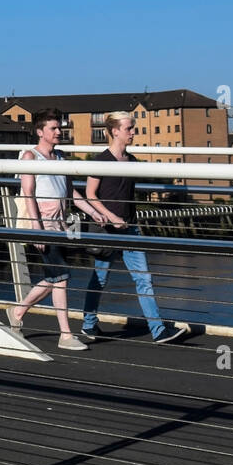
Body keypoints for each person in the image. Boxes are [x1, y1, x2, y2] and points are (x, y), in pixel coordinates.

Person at [82, 112, 190, 344]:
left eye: (133, 128)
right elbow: (90, 195)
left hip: (130, 229)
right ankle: (88, 324)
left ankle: (158, 330)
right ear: (115, 131)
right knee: (99, 279)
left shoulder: (131, 161)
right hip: (108, 230)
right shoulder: (100, 161)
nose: (133, 132)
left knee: (144, 279)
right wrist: (111, 217)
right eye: (129, 128)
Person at [6, 109, 106, 351]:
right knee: (62, 277)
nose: (59, 131)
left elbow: (71, 193)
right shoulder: (30, 157)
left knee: (54, 277)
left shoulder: (61, 157)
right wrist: (37, 227)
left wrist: (93, 212)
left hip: (61, 225)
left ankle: (17, 311)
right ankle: (65, 335)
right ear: (40, 132)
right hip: (41, 224)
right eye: (53, 128)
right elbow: (28, 192)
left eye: (59, 128)